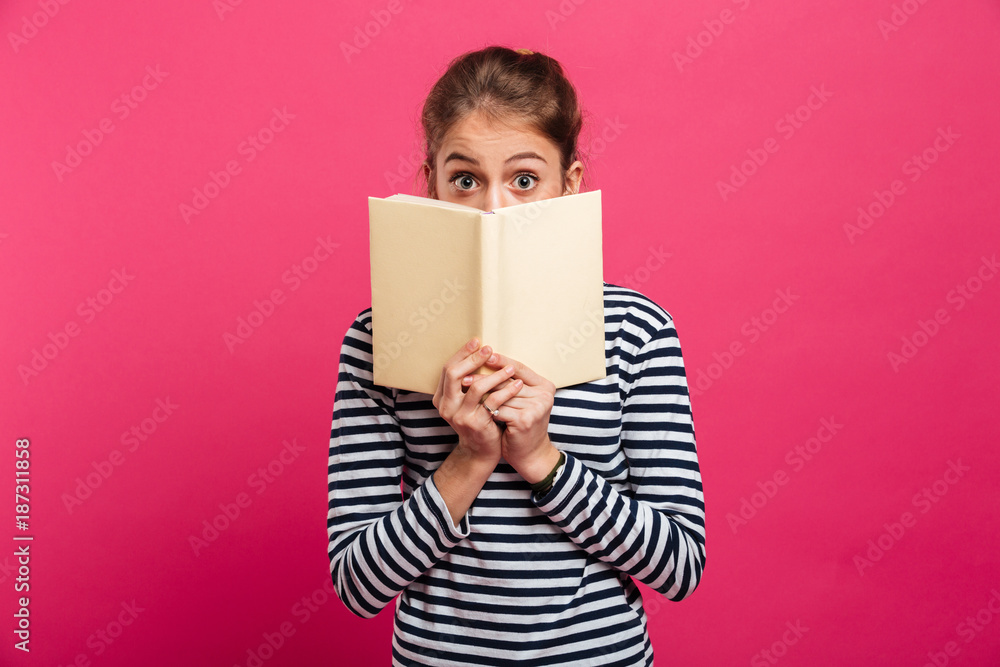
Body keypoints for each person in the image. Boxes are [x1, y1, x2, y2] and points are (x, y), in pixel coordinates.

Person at [328, 45, 706, 666]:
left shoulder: (638, 330)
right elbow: (358, 585)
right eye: (466, 180)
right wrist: (468, 461)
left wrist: (543, 460)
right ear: (432, 186)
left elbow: (679, 566)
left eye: (524, 180)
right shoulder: (378, 338)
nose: (494, 209)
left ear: (570, 185)